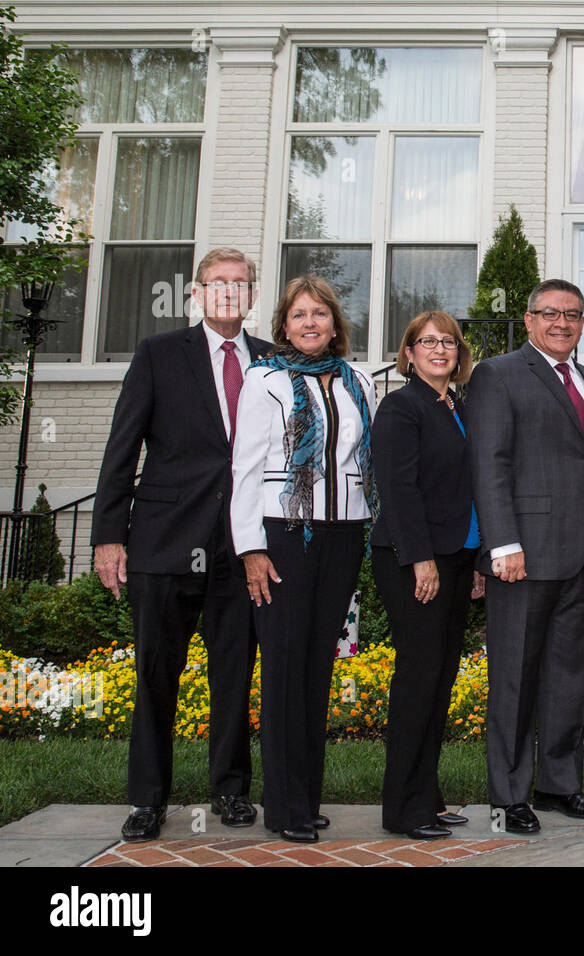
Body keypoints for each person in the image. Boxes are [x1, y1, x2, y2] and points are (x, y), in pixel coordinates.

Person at [92, 247, 270, 842]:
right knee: (155, 676)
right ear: (196, 293)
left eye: (239, 284)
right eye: (215, 283)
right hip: (165, 544)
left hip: (242, 550)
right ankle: (148, 798)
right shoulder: (159, 355)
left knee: (233, 674)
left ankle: (230, 789)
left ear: (252, 296)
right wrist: (109, 538)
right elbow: (122, 450)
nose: (227, 292)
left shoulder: (272, 363)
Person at [467, 278, 584, 835]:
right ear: (529, 319)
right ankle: (508, 796)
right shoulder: (498, 374)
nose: (562, 323)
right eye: (550, 313)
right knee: (514, 678)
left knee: (567, 677)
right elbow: (489, 462)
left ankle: (560, 785)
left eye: (573, 315)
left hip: (581, 557)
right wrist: (502, 543)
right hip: (523, 556)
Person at [230, 275, 377, 843]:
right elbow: (244, 468)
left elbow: (367, 457)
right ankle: (284, 806)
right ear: (283, 327)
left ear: (335, 324)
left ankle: (307, 798)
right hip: (283, 534)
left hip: (343, 533)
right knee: (285, 669)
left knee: (318, 668)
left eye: (319, 313)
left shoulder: (357, 380)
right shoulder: (264, 380)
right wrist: (251, 549)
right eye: (298, 315)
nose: (310, 322)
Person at [370, 312, 483, 840]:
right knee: (417, 680)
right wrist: (420, 560)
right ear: (409, 352)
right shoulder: (401, 406)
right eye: (427, 342)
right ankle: (403, 808)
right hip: (414, 560)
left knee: (439, 680)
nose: (440, 349)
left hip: (456, 556)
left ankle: (428, 795)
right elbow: (397, 489)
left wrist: (475, 558)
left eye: (448, 342)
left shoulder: (454, 405)